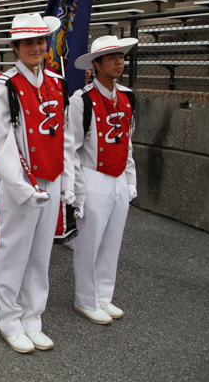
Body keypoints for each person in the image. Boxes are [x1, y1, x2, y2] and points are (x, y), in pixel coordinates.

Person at [0, 13, 68, 354]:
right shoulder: (4, 86)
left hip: (51, 179)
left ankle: (33, 317)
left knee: (40, 255)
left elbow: (64, 137)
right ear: (16, 47)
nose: (36, 47)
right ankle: (9, 320)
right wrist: (23, 189)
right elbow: (0, 145)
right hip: (19, 186)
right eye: (28, 42)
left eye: (40, 41)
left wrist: (66, 181)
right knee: (13, 255)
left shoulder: (57, 82)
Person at [63, 35, 138, 326]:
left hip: (119, 177)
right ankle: (85, 299)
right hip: (93, 176)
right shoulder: (81, 100)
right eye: (111, 58)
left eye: (121, 57)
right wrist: (78, 188)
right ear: (96, 64)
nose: (119, 62)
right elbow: (70, 148)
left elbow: (127, 143)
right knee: (89, 242)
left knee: (112, 240)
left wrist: (130, 179)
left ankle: (104, 295)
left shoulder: (128, 97)